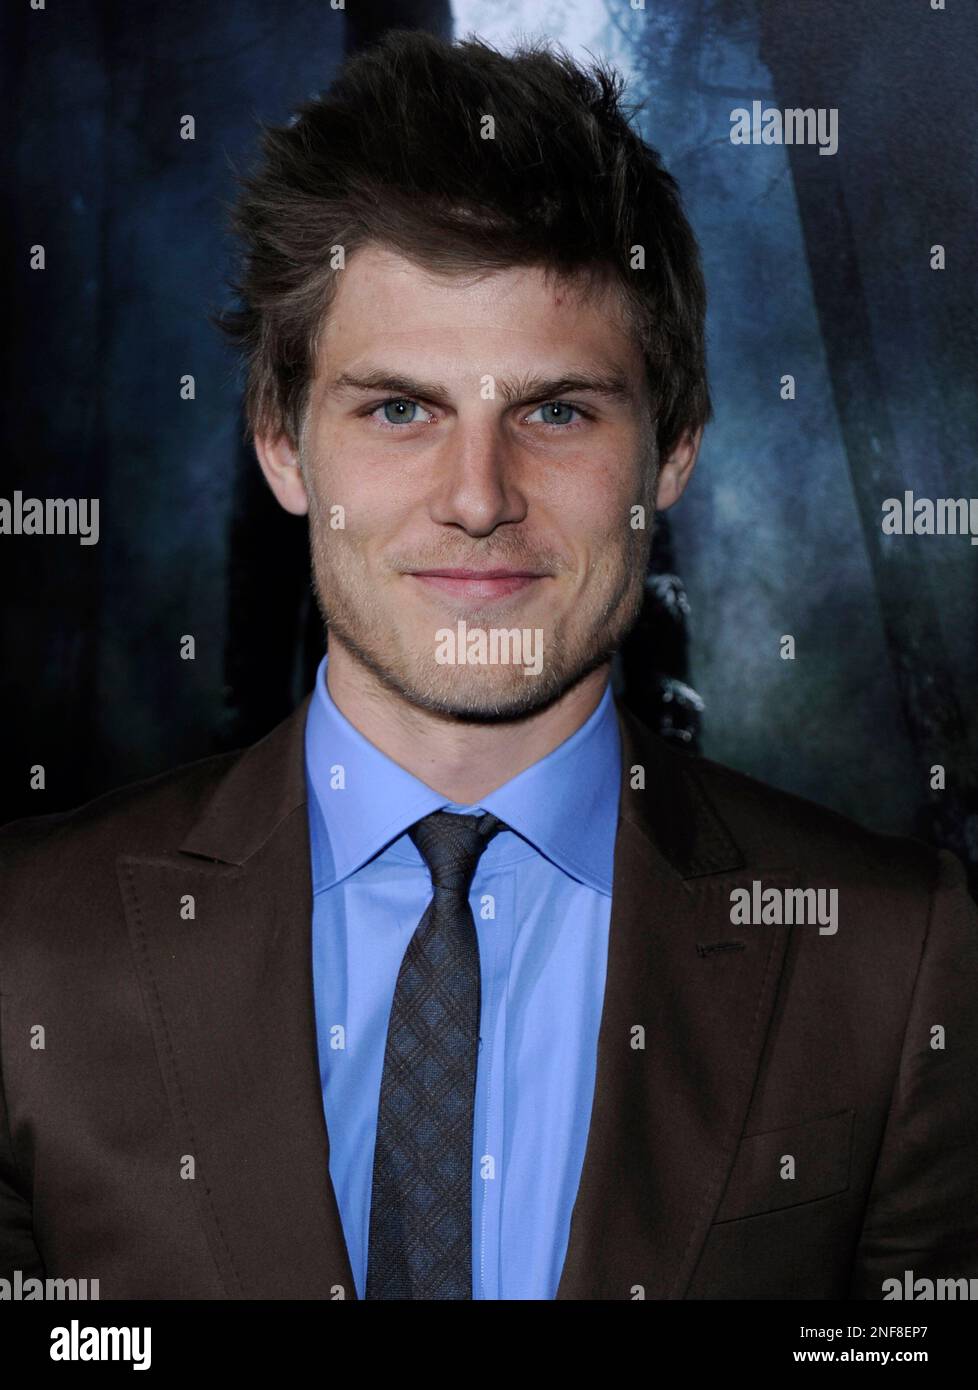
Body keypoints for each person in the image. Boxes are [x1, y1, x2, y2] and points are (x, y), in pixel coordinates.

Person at [1, 29, 976, 1302]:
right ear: (283, 447)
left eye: (556, 410)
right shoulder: (27, 946)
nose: (478, 497)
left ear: (672, 451)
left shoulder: (894, 962)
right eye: (400, 408)